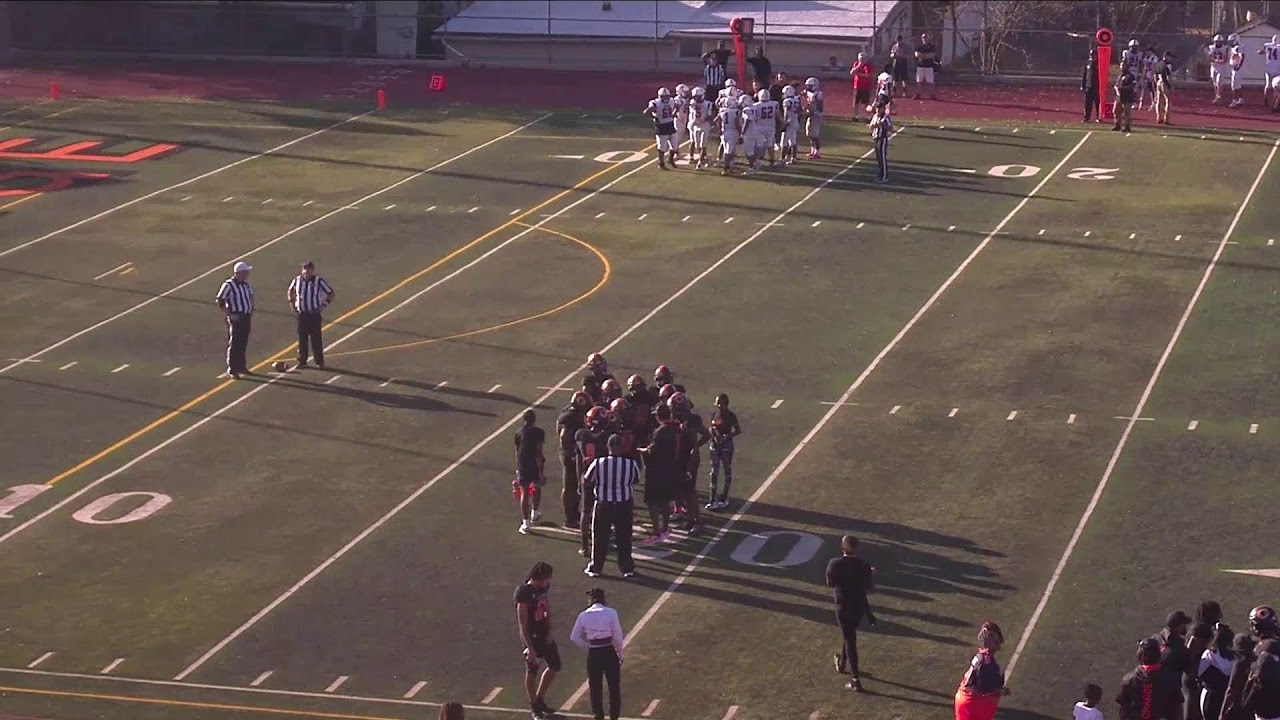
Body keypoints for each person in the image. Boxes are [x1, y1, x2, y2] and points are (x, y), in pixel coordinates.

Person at [583, 434, 639, 579]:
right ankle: (627, 568)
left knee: (600, 538)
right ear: (622, 447)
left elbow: (587, 480)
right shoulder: (630, 464)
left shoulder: (598, 462)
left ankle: (596, 567)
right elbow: (636, 479)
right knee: (624, 537)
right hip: (623, 504)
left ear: (608, 447)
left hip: (604, 504)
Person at [827, 535, 875, 692]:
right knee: (849, 635)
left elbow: (830, 583)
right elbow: (868, 588)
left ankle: (856, 680)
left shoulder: (835, 563)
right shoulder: (864, 565)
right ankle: (842, 664)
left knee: (850, 639)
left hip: (843, 606)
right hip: (859, 607)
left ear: (842, 548)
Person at [569, 588, 626, 720]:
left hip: (594, 653)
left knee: (595, 687)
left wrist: (588, 647)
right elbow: (617, 636)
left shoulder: (583, 615)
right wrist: (621, 654)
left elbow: (574, 637)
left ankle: (598, 715)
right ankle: (614, 716)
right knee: (614, 686)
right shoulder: (611, 613)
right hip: (609, 652)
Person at [515, 562, 560, 720]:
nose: (548, 582)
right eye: (546, 578)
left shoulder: (542, 588)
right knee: (532, 671)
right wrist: (529, 648)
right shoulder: (524, 593)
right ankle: (533, 705)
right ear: (538, 578)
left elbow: (546, 608)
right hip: (532, 637)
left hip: (543, 633)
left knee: (555, 665)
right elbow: (523, 624)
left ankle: (539, 698)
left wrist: (549, 630)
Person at [639, 402, 681, 544]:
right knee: (666, 500)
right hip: (671, 468)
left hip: (657, 470)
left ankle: (657, 532)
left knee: (652, 502)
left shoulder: (661, 431)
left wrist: (641, 450)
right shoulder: (676, 428)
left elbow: (652, 450)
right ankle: (665, 529)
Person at [1116, 638, 1182, 720]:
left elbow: (1123, 707)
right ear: (1159, 655)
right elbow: (1177, 707)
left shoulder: (1129, 679)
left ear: (1139, 655)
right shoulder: (1171, 678)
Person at [955, 622, 1010, 720]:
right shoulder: (987, 662)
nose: (999, 643)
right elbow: (984, 688)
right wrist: (1001, 691)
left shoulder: (981, 655)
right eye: (996, 641)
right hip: (973, 705)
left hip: (965, 699)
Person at [575, 407, 611, 557]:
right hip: (603, 477)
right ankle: (602, 541)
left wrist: (579, 480)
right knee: (604, 511)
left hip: (587, 476)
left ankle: (585, 545)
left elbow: (578, 461)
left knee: (586, 511)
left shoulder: (581, 435)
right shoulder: (607, 436)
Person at [286, 260, 335, 370]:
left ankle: (319, 361)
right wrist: (292, 303)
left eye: (308, 269)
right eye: (304, 269)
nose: (306, 272)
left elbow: (331, 293)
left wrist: (323, 305)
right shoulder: (297, 280)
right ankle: (302, 361)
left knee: (316, 339)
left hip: (314, 314)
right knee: (302, 339)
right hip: (302, 314)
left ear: (312, 270)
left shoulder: (318, 281)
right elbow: (290, 291)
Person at [557, 391, 592, 529]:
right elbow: (564, 437)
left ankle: (573, 513)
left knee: (575, 486)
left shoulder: (568, 413)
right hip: (569, 454)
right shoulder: (571, 418)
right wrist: (572, 453)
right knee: (571, 486)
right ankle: (570, 517)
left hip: (570, 453)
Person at [215, 260, 255, 379]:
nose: (247, 274)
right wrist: (229, 314)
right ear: (239, 273)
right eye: (245, 272)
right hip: (236, 316)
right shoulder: (229, 285)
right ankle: (232, 368)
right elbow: (220, 300)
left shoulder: (245, 284)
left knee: (243, 341)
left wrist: (251, 308)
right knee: (235, 342)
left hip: (246, 316)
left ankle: (242, 366)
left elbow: (251, 295)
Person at [705, 393, 741, 511]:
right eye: (718, 403)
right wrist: (715, 436)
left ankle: (724, 498)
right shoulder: (715, 414)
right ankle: (712, 499)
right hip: (715, 445)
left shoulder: (731, 416)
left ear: (726, 403)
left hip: (726, 446)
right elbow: (711, 427)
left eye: (720, 403)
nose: (718, 406)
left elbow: (738, 430)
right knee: (714, 471)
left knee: (727, 470)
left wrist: (726, 436)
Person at [515, 409, 546, 535]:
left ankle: (526, 523)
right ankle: (534, 511)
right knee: (537, 486)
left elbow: (517, 453)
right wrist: (541, 471)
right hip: (533, 463)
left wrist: (517, 468)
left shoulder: (518, 433)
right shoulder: (539, 432)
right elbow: (538, 451)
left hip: (523, 464)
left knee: (525, 492)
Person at [1199, 623, 1235, 720]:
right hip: (1229, 698)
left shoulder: (1209, 655)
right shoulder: (1235, 657)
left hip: (1211, 698)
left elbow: (1200, 674)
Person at [1221, 633, 1258, 720]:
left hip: (1239, 706)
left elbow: (1231, 689)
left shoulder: (1239, 664)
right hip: (1254, 706)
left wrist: (1222, 712)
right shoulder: (1258, 662)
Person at [644, 87, 678, 170]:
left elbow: (677, 106)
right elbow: (646, 111)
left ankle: (670, 159)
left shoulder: (671, 100)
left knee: (675, 146)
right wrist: (654, 116)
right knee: (662, 147)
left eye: (667, 96)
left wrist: (674, 113)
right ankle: (661, 163)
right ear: (660, 96)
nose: (666, 98)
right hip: (661, 126)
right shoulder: (655, 102)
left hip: (670, 124)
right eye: (664, 96)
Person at [1154, 51, 1176, 125]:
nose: (1171, 59)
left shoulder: (1158, 64)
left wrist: (1156, 83)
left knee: (1159, 101)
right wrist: (1171, 86)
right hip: (1164, 83)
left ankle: (1159, 117)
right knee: (1168, 101)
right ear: (1166, 56)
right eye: (1170, 57)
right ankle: (1166, 119)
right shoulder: (1167, 65)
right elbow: (1168, 77)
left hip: (1158, 82)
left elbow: (1155, 75)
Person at [850, 52, 874, 121]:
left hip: (866, 87)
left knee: (866, 103)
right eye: (861, 59)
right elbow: (852, 72)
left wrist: (857, 74)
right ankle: (855, 116)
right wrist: (858, 66)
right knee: (856, 102)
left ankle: (868, 116)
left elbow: (867, 75)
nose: (862, 60)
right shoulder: (856, 64)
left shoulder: (867, 66)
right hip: (857, 86)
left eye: (863, 59)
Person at [914, 33, 938, 99]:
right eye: (923, 38)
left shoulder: (931, 46)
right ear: (922, 39)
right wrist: (924, 55)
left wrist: (923, 55)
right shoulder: (919, 46)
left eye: (926, 38)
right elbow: (916, 55)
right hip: (920, 66)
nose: (925, 39)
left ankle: (932, 95)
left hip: (929, 67)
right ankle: (918, 94)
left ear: (928, 38)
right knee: (919, 81)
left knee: (930, 81)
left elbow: (931, 55)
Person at [1207, 34, 1230, 105]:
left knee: (1219, 82)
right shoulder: (1211, 48)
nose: (1218, 43)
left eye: (1219, 41)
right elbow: (1209, 57)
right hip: (1214, 66)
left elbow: (1225, 59)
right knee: (1215, 82)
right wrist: (1214, 60)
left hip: (1221, 67)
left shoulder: (1225, 48)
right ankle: (1216, 96)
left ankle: (1219, 96)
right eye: (1217, 41)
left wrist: (1221, 61)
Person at [1082, 49, 1101, 122]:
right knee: (1087, 103)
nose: (1092, 57)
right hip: (1088, 86)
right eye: (1091, 55)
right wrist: (1083, 85)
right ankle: (1086, 117)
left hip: (1096, 87)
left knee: (1097, 103)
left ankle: (1098, 117)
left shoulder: (1099, 63)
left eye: (1094, 55)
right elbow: (1085, 74)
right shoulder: (1088, 63)